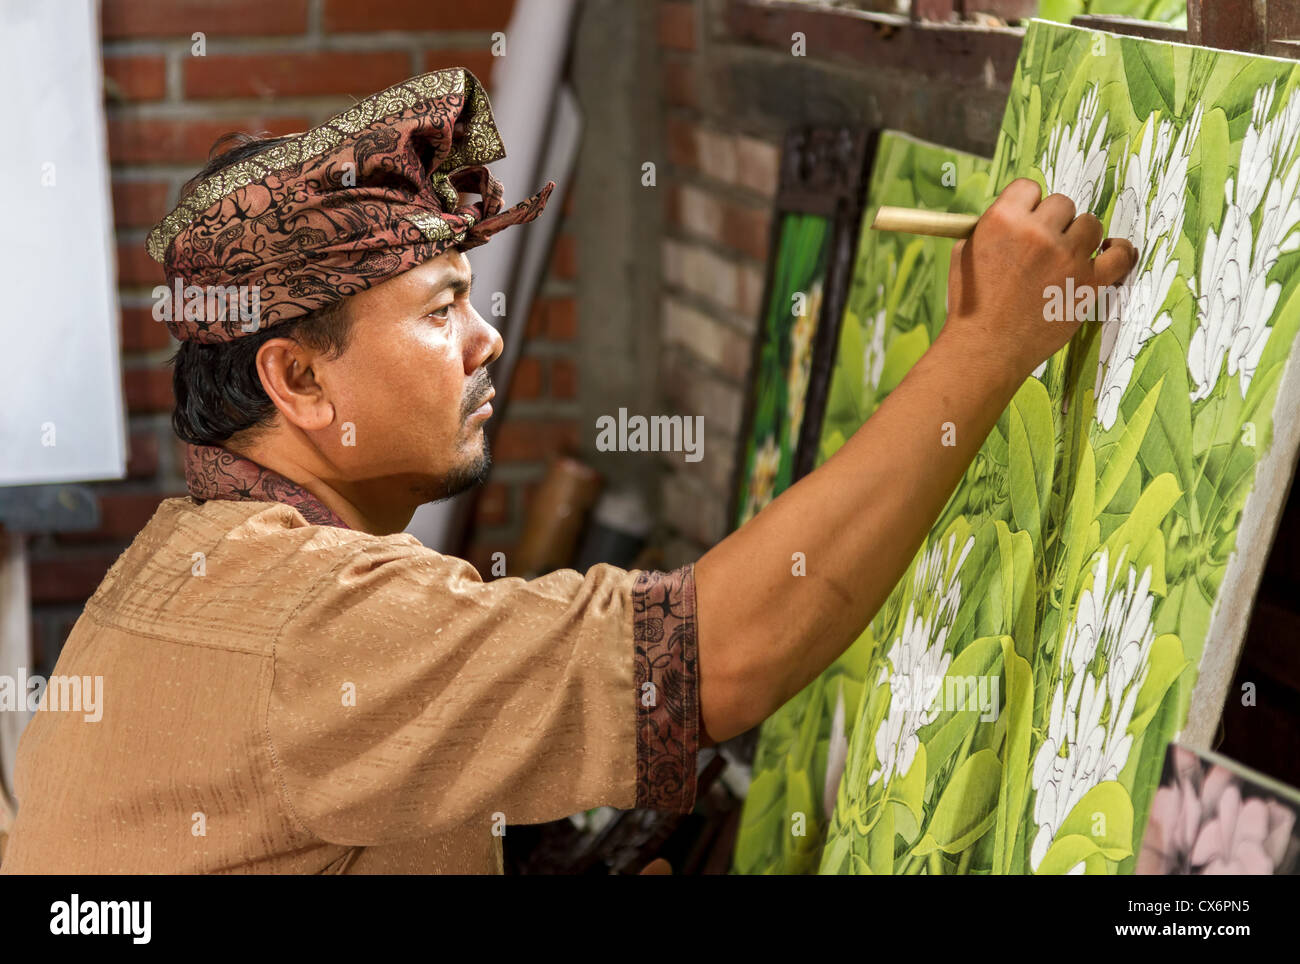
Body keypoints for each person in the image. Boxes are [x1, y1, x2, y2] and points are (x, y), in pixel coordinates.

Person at [0, 68, 1137, 874]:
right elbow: (718, 660)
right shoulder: (315, 627)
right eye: (442, 309)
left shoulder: (187, 565)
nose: (485, 339)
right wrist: (988, 346)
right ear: (298, 380)